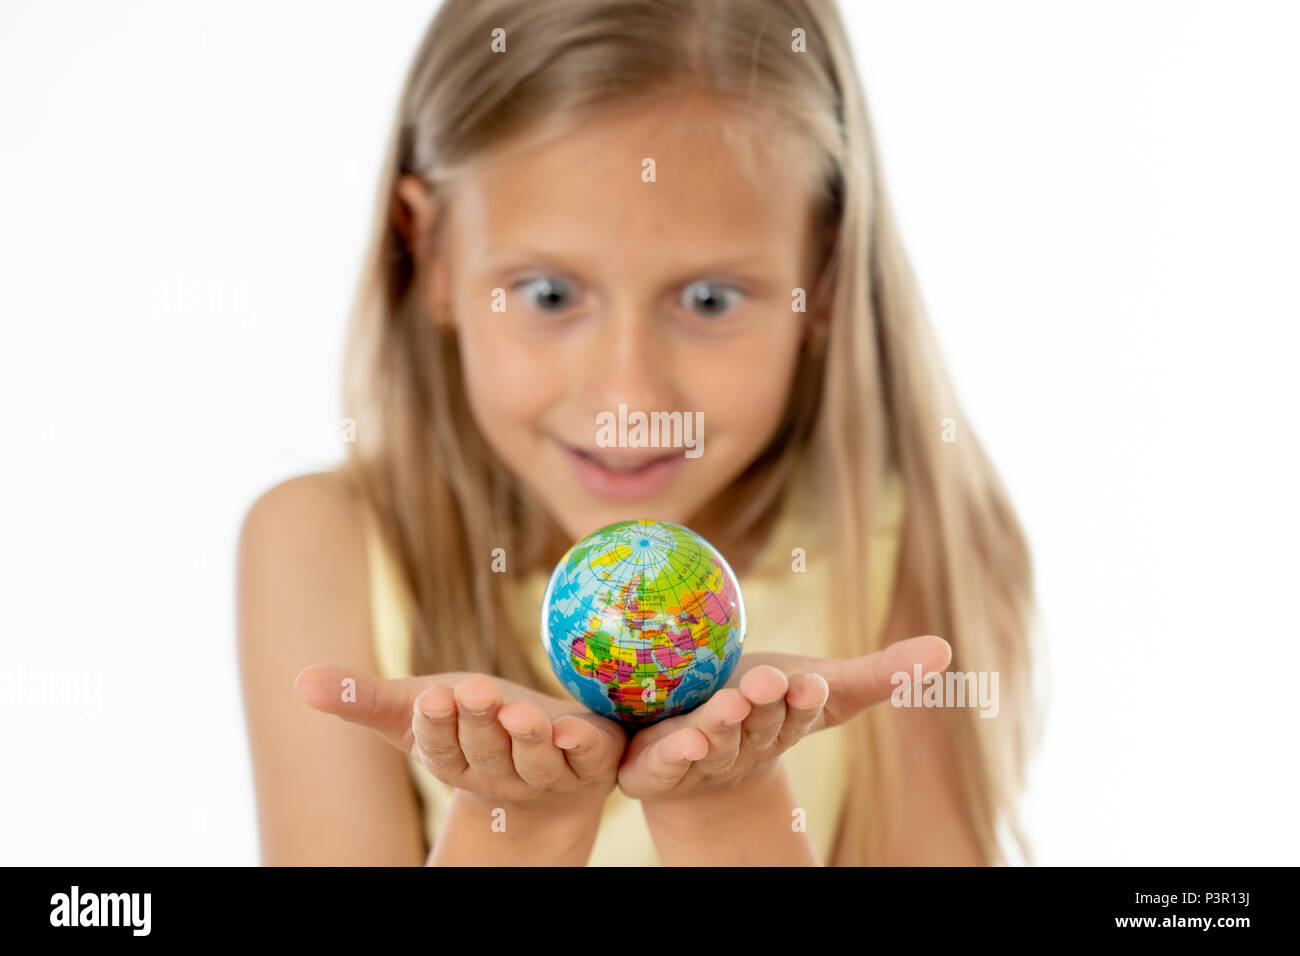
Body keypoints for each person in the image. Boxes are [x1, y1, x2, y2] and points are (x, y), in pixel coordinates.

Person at [237, 0, 1041, 866]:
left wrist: (726, 804)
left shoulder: (914, 552)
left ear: (826, 275)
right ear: (428, 254)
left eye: (708, 300)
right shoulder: (324, 546)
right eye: (549, 295)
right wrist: (520, 821)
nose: (628, 396)